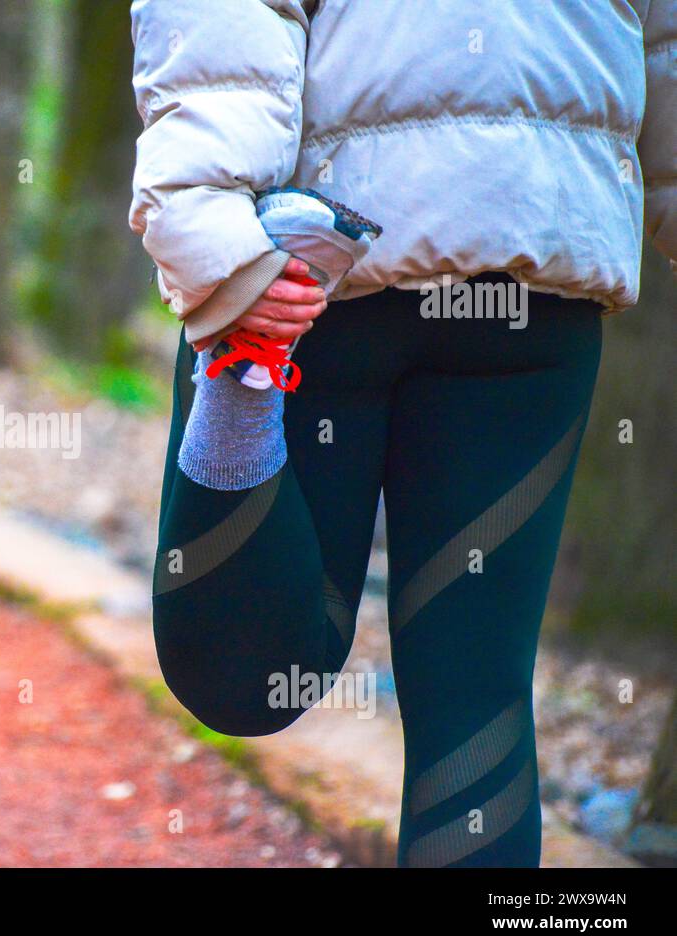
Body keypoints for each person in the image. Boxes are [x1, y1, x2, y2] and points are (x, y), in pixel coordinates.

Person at [129, 0, 676, 867]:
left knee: (247, 671)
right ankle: (249, 363)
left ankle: (245, 369)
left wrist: (214, 241)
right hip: (535, 255)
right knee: (478, 713)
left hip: (328, 258)